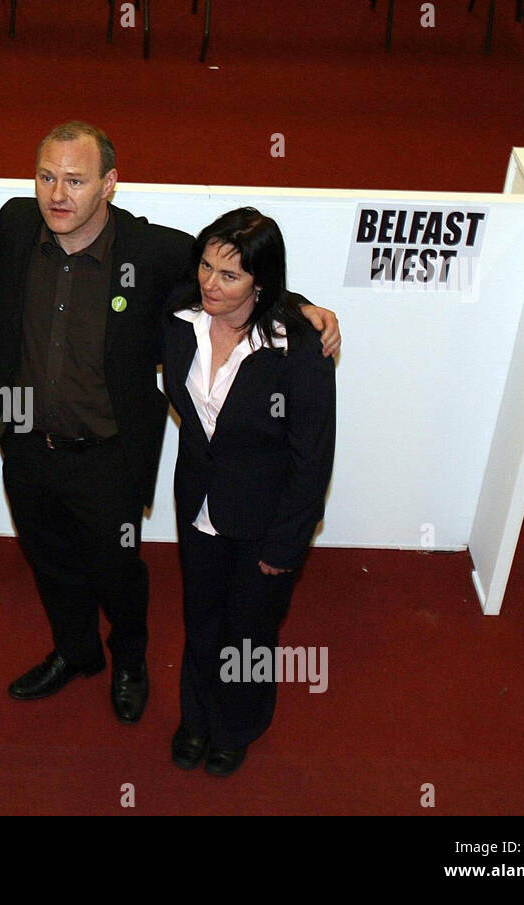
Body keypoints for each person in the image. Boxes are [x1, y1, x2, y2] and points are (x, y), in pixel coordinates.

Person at [0, 123, 338, 726]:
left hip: (108, 458)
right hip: (28, 448)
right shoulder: (16, 226)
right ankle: (75, 651)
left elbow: (234, 272)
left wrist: (301, 308)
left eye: (75, 180)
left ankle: (130, 662)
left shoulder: (148, 250)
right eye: (46, 177)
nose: (56, 194)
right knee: (51, 563)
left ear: (109, 185)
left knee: (118, 572)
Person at [161, 207, 336, 776]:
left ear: (260, 283)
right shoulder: (179, 314)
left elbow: (313, 458)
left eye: (229, 275)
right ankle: (195, 717)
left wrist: (286, 547)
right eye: (206, 267)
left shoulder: (297, 345)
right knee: (201, 616)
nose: (211, 283)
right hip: (198, 505)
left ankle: (237, 725)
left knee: (250, 632)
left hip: (264, 519)